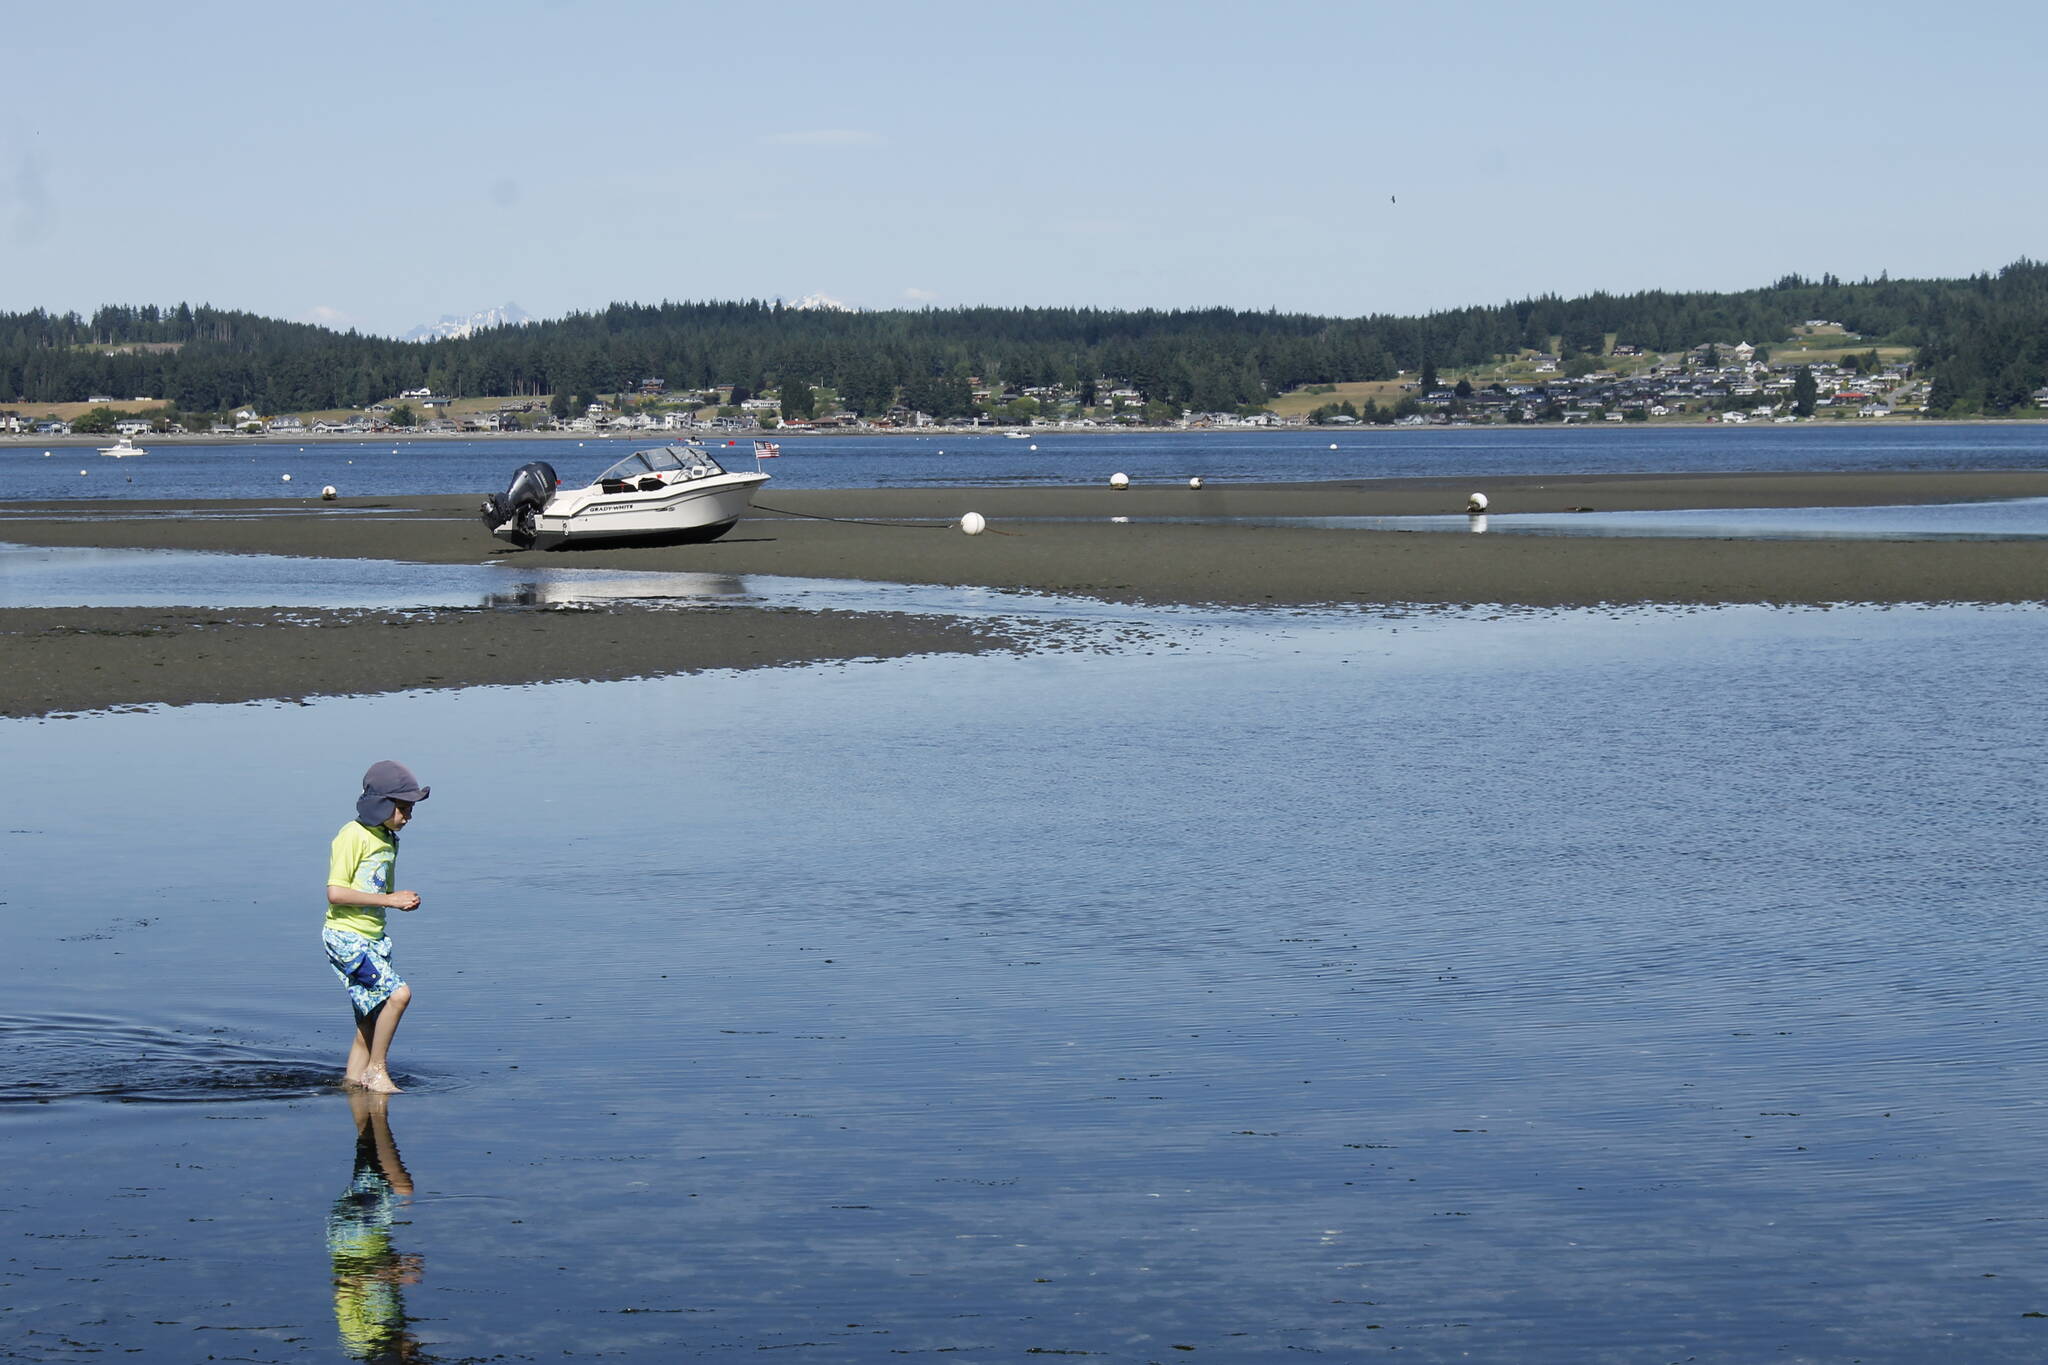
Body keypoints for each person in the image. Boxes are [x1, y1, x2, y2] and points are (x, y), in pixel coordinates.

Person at [324, 761, 430, 1094]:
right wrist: (391, 901)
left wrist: (399, 900)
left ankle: (354, 1085)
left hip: (373, 939)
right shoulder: (351, 836)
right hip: (346, 938)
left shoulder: (388, 839)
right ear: (382, 804)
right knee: (398, 995)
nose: (408, 817)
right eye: (403, 808)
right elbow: (336, 893)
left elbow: (379, 893)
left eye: (411, 809)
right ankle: (377, 1071)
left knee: (369, 1023)